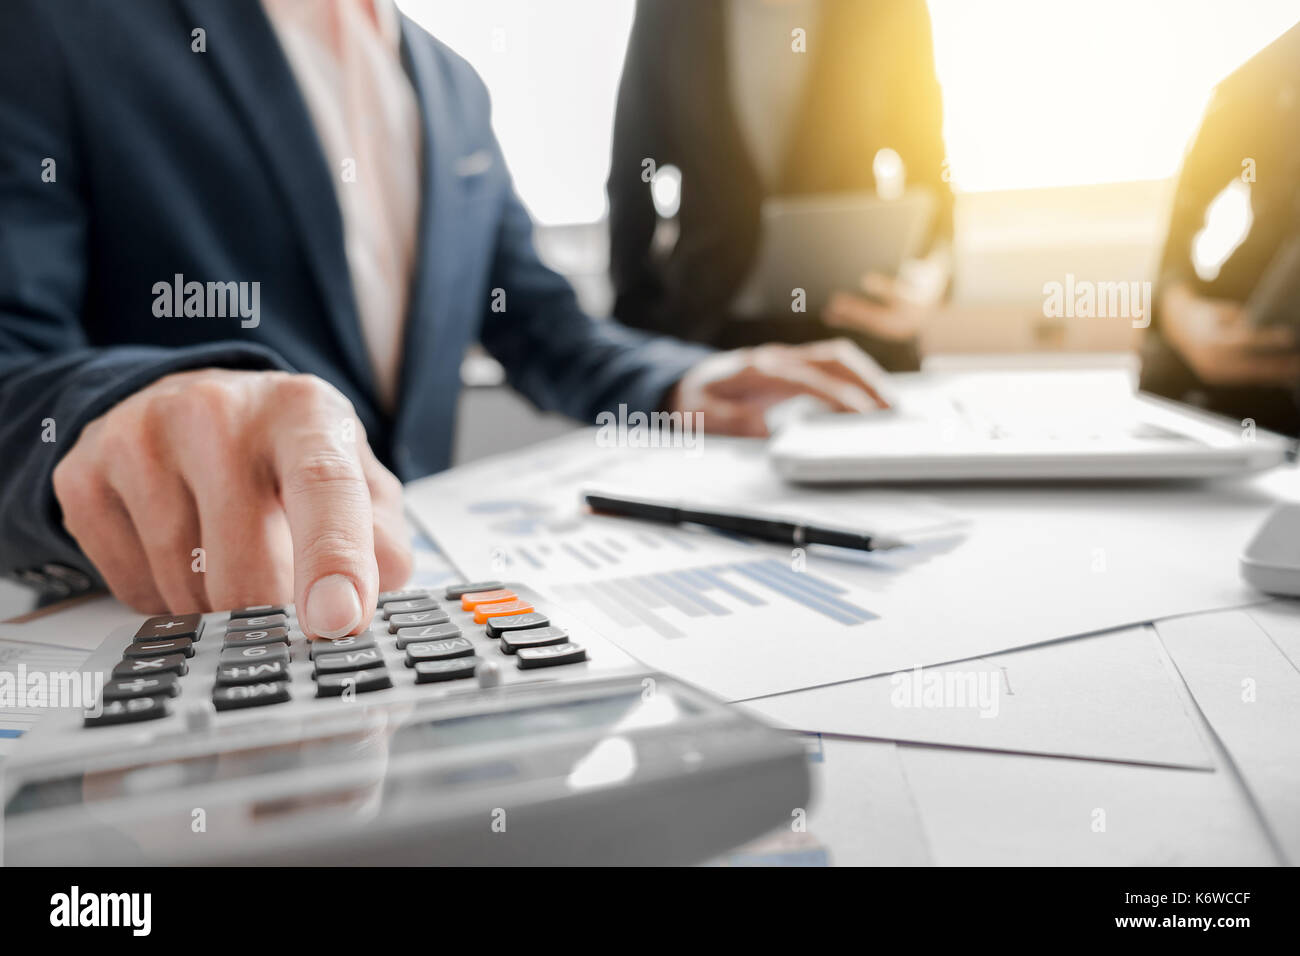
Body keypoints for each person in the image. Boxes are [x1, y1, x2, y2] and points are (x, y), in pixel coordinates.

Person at [0, 0, 890, 637]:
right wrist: (120, 409)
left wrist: (683, 378)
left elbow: (538, 321)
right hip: (160, 626)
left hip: (419, 621)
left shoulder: (453, 84)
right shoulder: (57, 26)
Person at [607, 0, 953, 371]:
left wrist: (930, 279)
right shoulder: (670, 10)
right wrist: (641, 348)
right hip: (710, 336)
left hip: (854, 328)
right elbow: (633, 176)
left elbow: (930, 173)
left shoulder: (888, 8)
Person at [1141, 20, 1300, 435]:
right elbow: (1173, 248)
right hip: (1246, 376)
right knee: (1161, 375)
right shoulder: (1265, 68)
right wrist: (1188, 322)